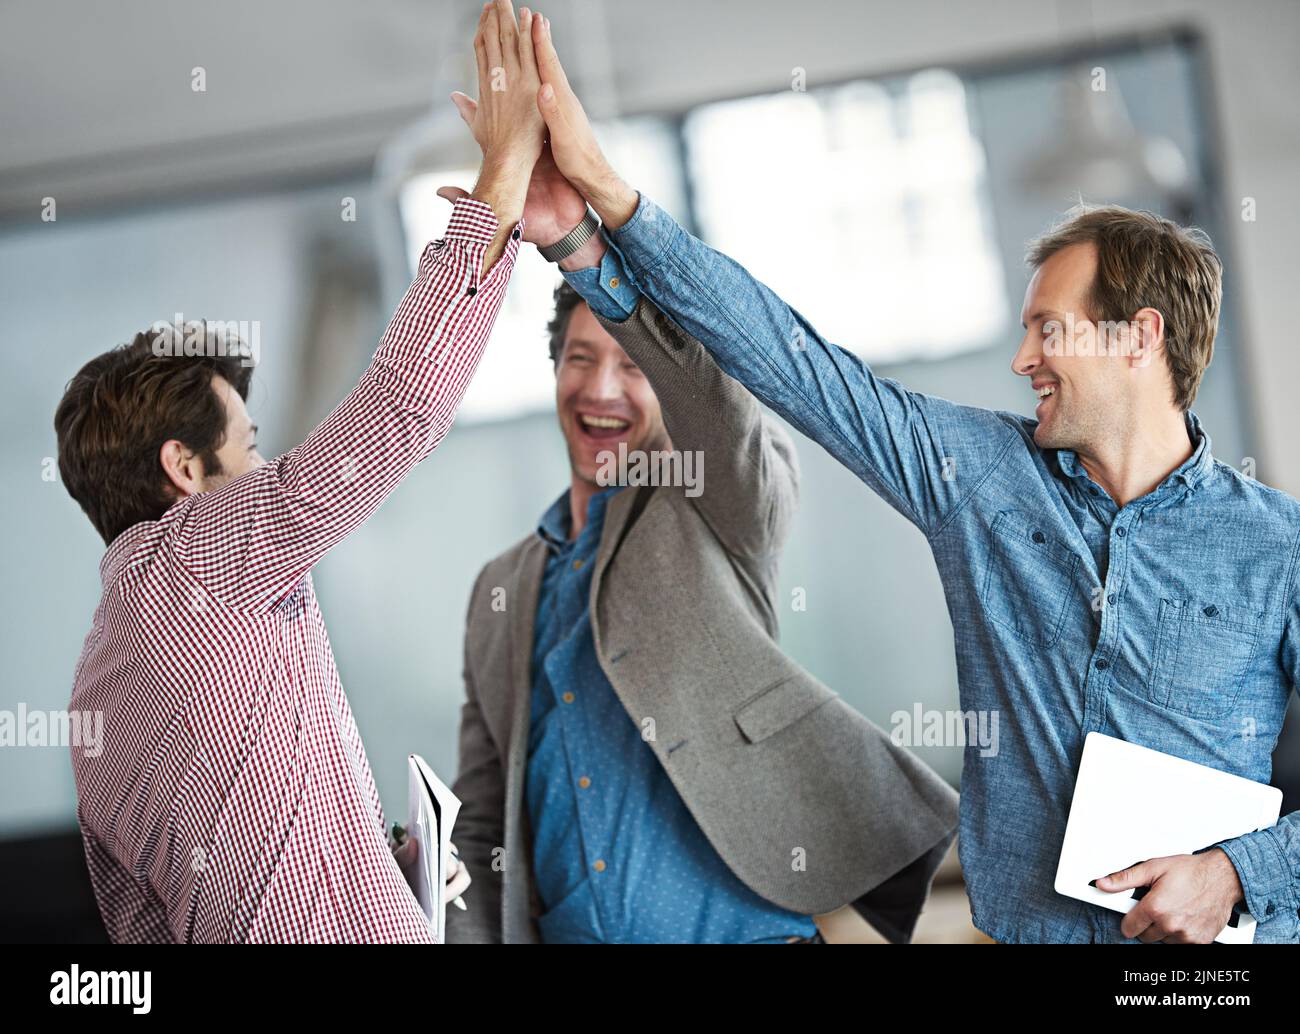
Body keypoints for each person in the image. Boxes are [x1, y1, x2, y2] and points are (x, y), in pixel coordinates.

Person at [515, 11, 1300, 944]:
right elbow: (788, 359)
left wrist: (1235, 873)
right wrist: (600, 212)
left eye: (1048, 329)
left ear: (1141, 338)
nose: (1022, 360)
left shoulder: (1278, 545)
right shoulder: (978, 476)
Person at [443, 10, 957, 942]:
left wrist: (582, 248)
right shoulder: (500, 588)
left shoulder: (711, 500)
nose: (601, 390)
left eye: (629, 364)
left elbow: (716, 391)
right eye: (578, 361)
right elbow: (483, 823)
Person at [53, 0, 546, 943]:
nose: (272, 466)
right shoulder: (202, 557)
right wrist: (501, 185)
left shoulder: (91, 696)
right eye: (249, 446)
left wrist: (377, 863)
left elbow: (147, 934)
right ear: (183, 468)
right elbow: (398, 409)